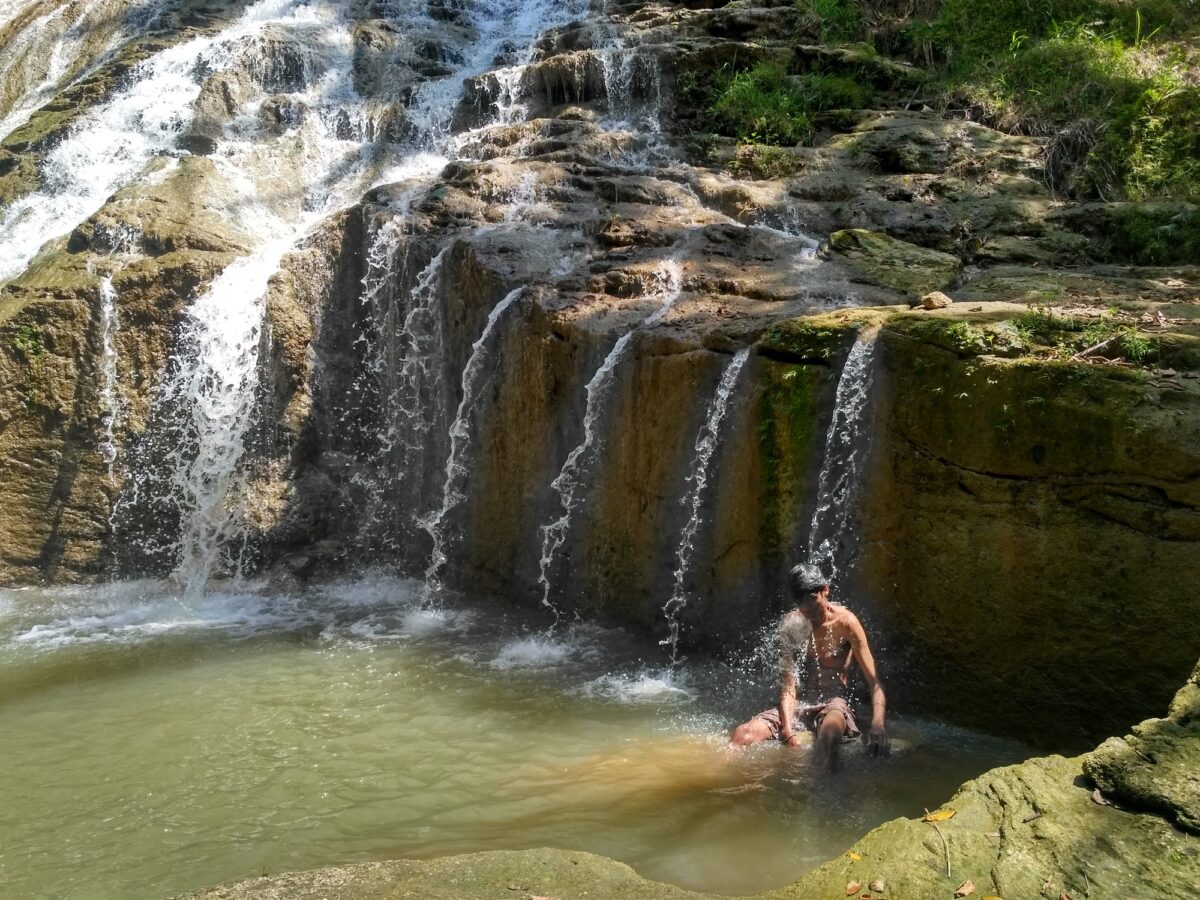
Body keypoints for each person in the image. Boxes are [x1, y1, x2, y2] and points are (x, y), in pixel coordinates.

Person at [729, 563, 889, 770]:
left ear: (825, 590)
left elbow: (875, 682)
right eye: (801, 602)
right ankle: (714, 785)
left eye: (813, 599)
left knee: (829, 735)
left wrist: (878, 724)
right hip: (801, 701)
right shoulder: (791, 624)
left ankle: (819, 796)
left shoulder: (846, 623)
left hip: (835, 702)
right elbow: (788, 684)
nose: (807, 608)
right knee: (742, 734)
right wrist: (787, 730)